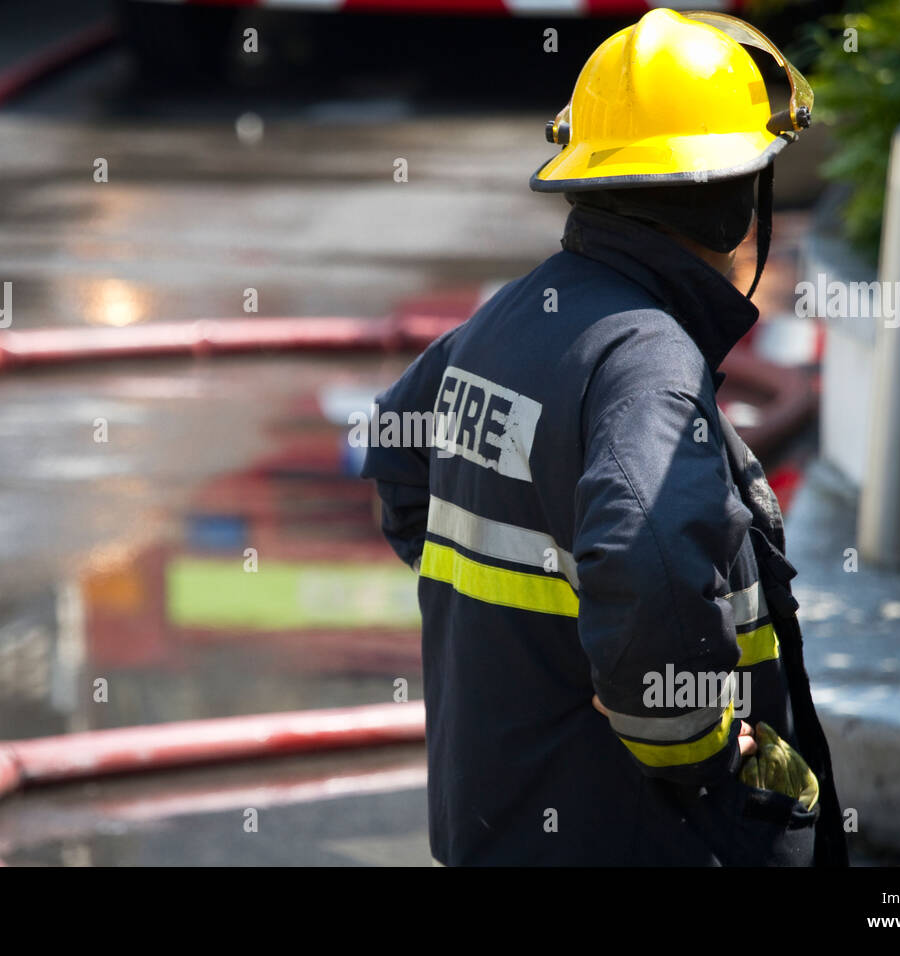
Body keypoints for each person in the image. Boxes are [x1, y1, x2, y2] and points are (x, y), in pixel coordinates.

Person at [361, 8, 848, 866]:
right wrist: (693, 745)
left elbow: (397, 453)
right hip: (634, 835)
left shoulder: (510, 318)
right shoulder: (649, 359)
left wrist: (512, 640)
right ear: (738, 201)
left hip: (502, 825)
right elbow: (648, 555)